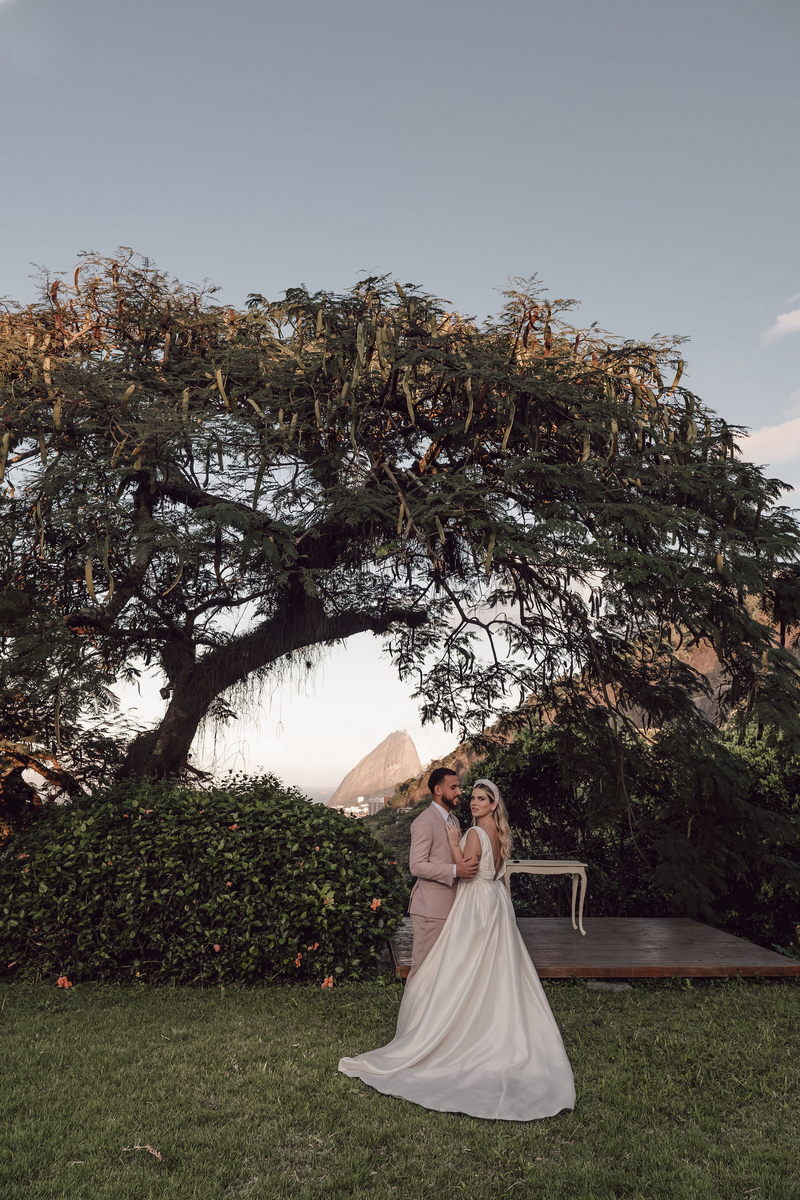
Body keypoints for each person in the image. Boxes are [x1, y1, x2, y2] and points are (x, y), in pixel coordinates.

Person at [338, 779, 576, 1121]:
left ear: (493, 804)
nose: (473, 802)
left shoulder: (476, 832)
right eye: (472, 797)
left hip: (475, 903)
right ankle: (490, 1026)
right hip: (495, 901)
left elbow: (466, 871)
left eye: (481, 799)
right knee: (493, 969)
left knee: (461, 967)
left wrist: (453, 842)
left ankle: (452, 1031)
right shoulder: (499, 832)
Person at [406, 767, 478, 978]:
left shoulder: (453, 820)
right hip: (430, 910)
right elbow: (416, 866)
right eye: (453, 787)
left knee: (445, 972)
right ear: (438, 790)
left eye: (458, 787)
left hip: (452, 907)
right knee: (423, 969)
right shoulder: (424, 822)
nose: (459, 792)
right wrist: (456, 870)